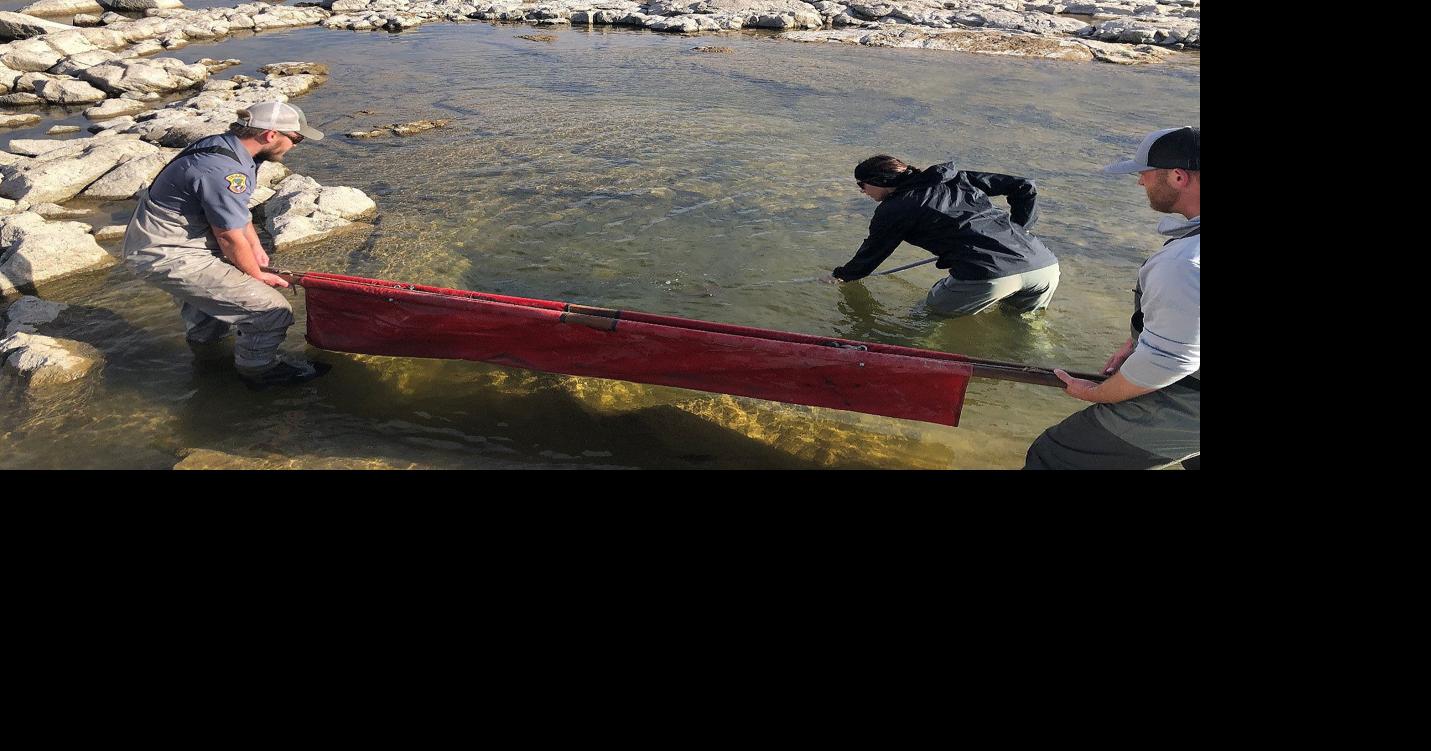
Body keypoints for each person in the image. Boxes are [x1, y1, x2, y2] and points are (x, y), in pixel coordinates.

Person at [1024, 126, 1200, 470]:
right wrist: (1139, 339)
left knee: (1055, 455)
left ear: (1178, 177)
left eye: (1145, 173)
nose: (1140, 183)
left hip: (1190, 402)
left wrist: (1095, 393)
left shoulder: (1182, 262)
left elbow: (1169, 363)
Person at [122, 101, 330, 389]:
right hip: (168, 253)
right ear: (271, 135)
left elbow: (236, 212)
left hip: (171, 242)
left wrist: (255, 248)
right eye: (296, 139)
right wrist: (256, 275)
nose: (294, 146)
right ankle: (259, 373)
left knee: (212, 319)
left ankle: (208, 365)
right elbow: (228, 237)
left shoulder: (229, 148)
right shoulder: (223, 170)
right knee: (270, 310)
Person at [829, 155, 1060, 317]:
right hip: (1043, 265)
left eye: (862, 184)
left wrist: (842, 276)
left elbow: (874, 251)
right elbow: (1024, 186)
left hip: (988, 273)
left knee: (924, 318)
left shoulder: (894, 208)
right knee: (1024, 325)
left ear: (880, 182)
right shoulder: (955, 178)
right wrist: (1019, 230)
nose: (861, 190)